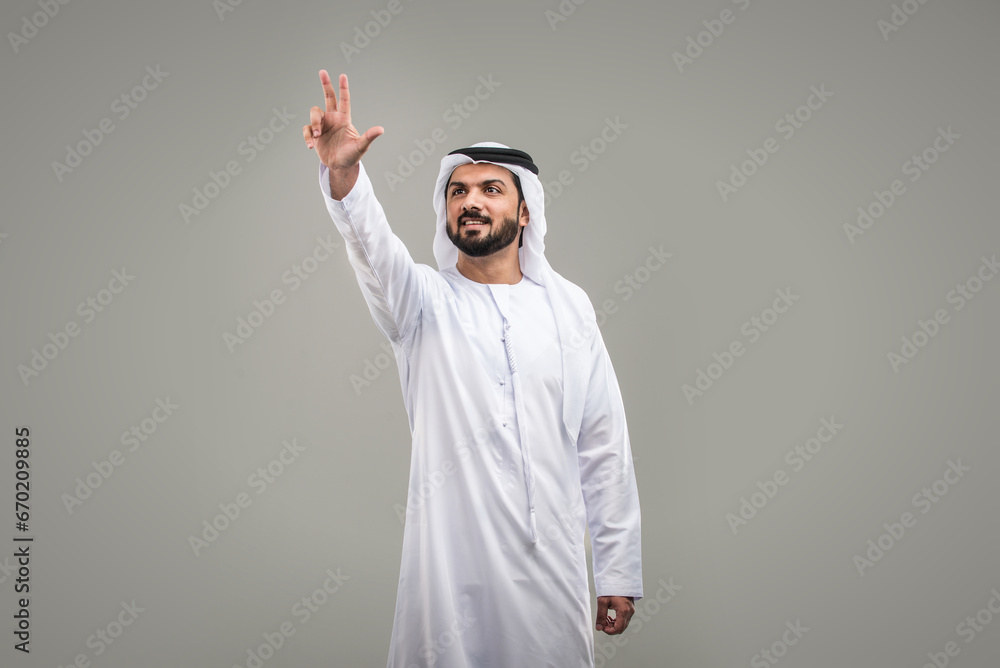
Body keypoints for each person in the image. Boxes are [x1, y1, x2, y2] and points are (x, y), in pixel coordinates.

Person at [304, 70, 643, 667]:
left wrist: (617, 568)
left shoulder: (569, 310)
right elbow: (371, 246)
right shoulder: (422, 304)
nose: (472, 202)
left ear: (526, 211)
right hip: (450, 574)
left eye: (491, 189)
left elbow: (603, 443)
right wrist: (344, 174)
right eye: (458, 192)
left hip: (552, 569)